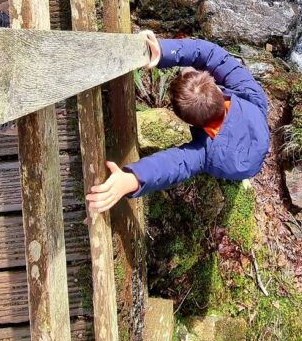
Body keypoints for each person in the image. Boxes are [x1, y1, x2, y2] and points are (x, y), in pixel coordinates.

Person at [85, 32, 270, 216]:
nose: (186, 70)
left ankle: (241, 179)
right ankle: (244, 179)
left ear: (187, 121)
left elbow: (174, 165)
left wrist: (132, 180)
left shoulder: (206, 153)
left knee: (227, 167)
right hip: (258, 142)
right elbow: (213, 55)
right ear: (215, 87)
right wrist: (165, 50)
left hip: (237, 166)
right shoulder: (251, 95)